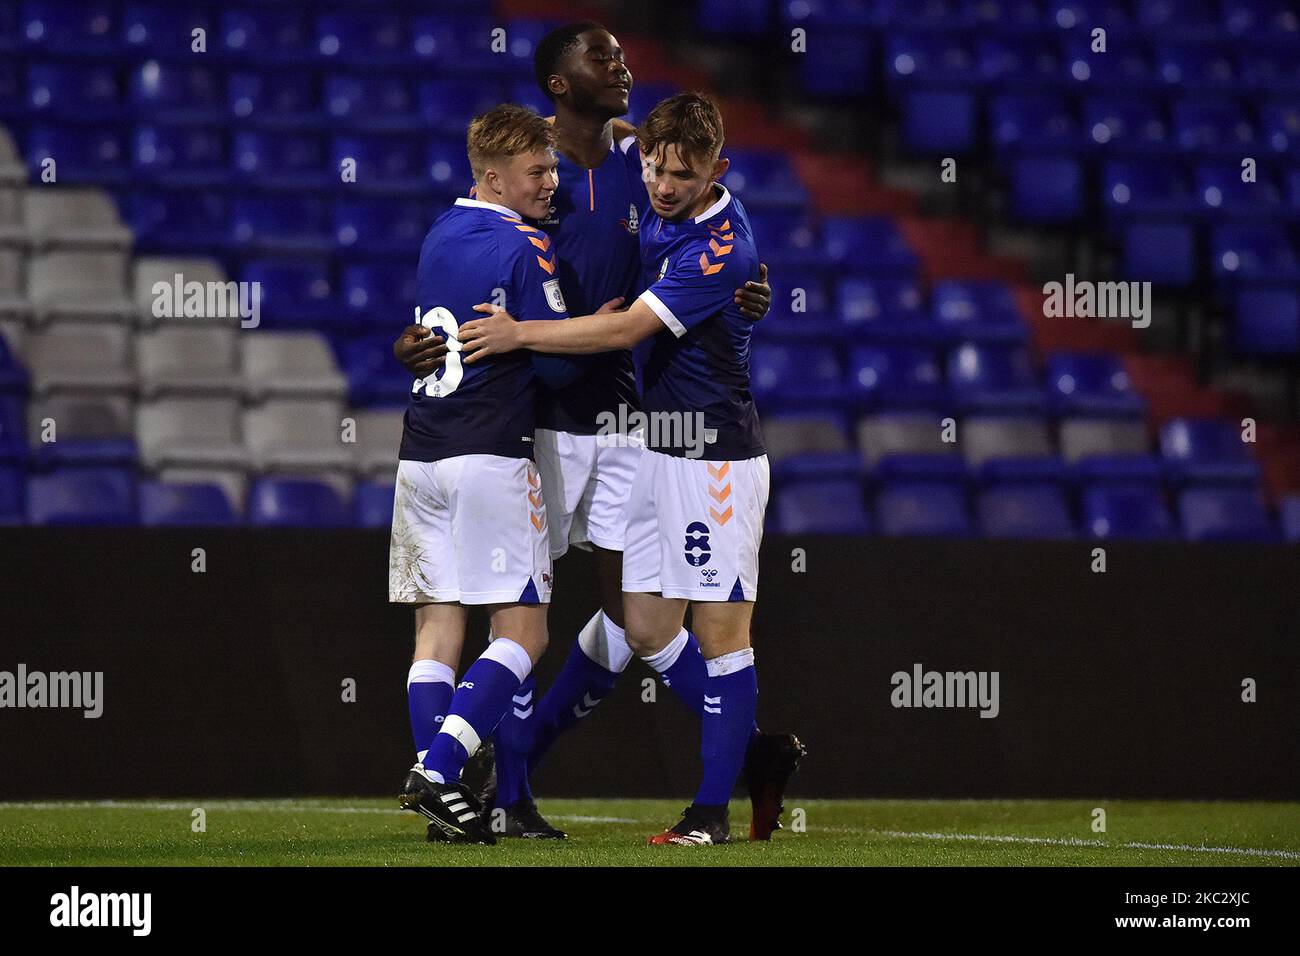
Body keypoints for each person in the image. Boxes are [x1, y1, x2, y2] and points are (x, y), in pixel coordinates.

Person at [393, 22, 800, 842]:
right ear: (558, 85)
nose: (620, 66)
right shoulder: (524, 169)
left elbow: (708, 250)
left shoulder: (636, 156)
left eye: (620, 55)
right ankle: (510, 798)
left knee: (635, 616)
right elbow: (457, 282)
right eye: (600, 57)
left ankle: (735, 759)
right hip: (530, 423)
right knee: (518, 617)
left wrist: (744, 302)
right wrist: (415, 344)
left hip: (625, 426)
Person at [393, 104, 588, 844]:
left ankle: (445, 811)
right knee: (524, 631)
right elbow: (556, 373)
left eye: (553, 168)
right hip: (491, 456)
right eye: (538, 171)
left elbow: (422, 334)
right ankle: (441, 771)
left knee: (437, 629)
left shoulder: (439, 233)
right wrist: (586, 332)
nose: (551, 183)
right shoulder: (527, 248)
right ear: (495, 178)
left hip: (421, 456)